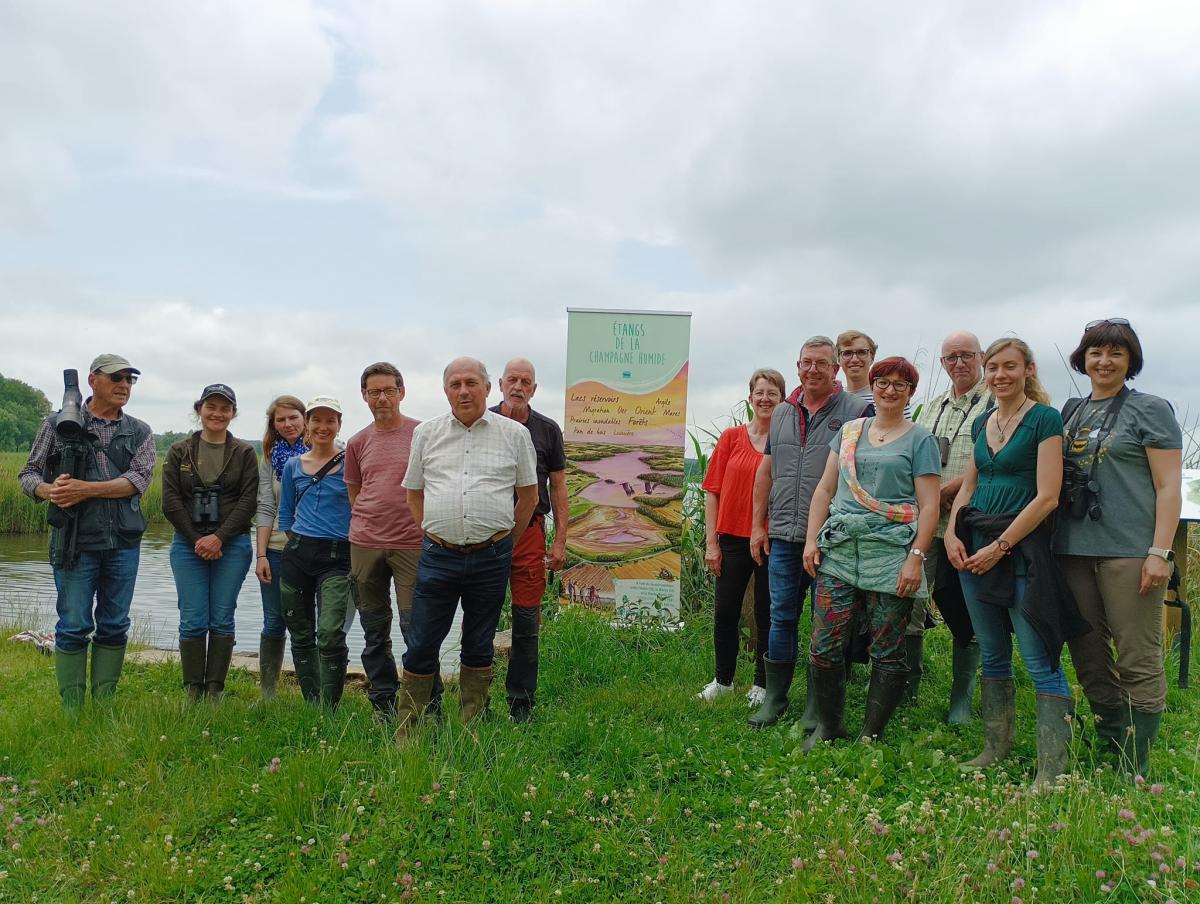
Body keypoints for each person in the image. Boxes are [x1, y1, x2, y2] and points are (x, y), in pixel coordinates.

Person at [946, 337, 1090, 789]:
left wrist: (1002, 547)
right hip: (973, 545)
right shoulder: (983, 422)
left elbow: (1047, 496)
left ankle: (1052, 767)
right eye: (993, 367)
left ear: (1027, 369)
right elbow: (969, 486)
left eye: (1010, 366)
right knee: (992, 650)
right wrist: (952, 532)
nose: (1000, 375)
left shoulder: (1044, 420)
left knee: (1038, 655)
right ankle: (996, 745)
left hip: (1019, 550)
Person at [1055, 319, 1182, 777]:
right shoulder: (1070, 411)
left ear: (1130, 361)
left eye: (1115, 354)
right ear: (1082, 358)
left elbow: (1169, 486)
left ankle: (1136, 760)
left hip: (1130, 550)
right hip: (1072, 550)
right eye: (1095, 353)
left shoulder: (1149, 409)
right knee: (1087, 652)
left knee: (1137, 655)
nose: (1104, 362)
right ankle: (1113, 737)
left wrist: (1160, 552)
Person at [393, 357, 537, 746]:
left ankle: (470, 726)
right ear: (445, 391)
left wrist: (506, 540)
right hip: (438, 556)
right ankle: (409, 729)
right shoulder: (427, 433)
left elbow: (528, 496)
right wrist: (433, 530)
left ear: (488, 388)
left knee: (478, 641)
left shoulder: (514, 435)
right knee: (422, 641)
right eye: (454, 384)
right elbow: (413, 493)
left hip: (491, 558)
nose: (463, 390)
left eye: (471, 382)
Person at [801, 358, 941, 749]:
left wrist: (916, 556)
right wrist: (813, 540)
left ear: (910, 392)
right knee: (824, 644)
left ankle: (871, 734)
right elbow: (825, 491)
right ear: (873, 386)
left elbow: (929, 507)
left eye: (900, 384)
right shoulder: (849, 432)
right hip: (842, 549)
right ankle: (830, 725)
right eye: (883, 382)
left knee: (887, 646)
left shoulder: (920, 440)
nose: (889, 390)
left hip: (891, 553)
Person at [18, 354, 156, 707]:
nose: (124, 385)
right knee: (74, 623)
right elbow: (28, 474)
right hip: (72, 541)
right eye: (117, 378)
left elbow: (137, 481)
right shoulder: (56, 424)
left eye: (129, 380)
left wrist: (85, 489)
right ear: (93, 381)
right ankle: (73, 711)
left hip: (123, 542)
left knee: (114, 623)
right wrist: (48, 490)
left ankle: (104, 705)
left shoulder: (140, 431)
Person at [748, 337, 869, 728]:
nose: (813, 369)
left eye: (822, 363)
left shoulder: (856, 410)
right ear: (797, 367)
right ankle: (776, 697)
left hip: (832, 536)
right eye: (806, 363)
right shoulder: (783, 412)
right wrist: (756, 526)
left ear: (835, 368)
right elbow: (766, 471)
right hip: (783, 532)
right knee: (780, 615)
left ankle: (820, 703)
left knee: (827, 622)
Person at [345, 362, 444, 719]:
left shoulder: (424, 433)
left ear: (402, 391)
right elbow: (355, 491)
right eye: (374, 392)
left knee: (415, 626)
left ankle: (427, 704)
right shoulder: (357, 442)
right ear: (364, 396)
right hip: (365, 543)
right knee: (374, 628)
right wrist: (373, 522)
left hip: (412, 544)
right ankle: (383, 701)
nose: (382, 397)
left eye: (389, 390)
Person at [911, 331, 992, 720]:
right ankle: (906, 685)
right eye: (950, 358)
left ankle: (962, 699)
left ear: (981, 356)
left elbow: (994, 457)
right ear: (942, 364)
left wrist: (949, 491)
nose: (958, 363)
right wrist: (930, 495)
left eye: (966, 355)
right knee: (911, 601)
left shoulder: (996, 400)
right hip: (927, 521)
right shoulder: (931, 407)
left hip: (970, 522)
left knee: (966, 609)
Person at [162, 384, 259, 700]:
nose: (218, 414)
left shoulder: (244, 452)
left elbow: (248, 501)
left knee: (222, 615)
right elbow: (171, 501)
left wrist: (219, 538)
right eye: (211, 407)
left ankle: (214, 690)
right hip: (187, 545)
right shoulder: (179, 451)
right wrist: (198, 540)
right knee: (192, 618)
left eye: (225, 408)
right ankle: (193, 690)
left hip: (232, 544)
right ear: (199, 410)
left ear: (233, 413)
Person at [697, 367, 786, 706]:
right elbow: (712, 491)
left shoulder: (785, 441)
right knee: (725, 612)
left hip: (770, 539)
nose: (765, 399)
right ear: (750, 397)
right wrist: (711, 543)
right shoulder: (731, 438)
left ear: (782, 400)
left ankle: (762, 686)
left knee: (767, 613)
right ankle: (723, 681)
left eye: (772, 393)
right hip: (732, 538)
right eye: (759, 392)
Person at [491, 358, 568, 722]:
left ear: (534, 389)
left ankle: (521, 704)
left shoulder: (548, 430)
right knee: (481, 616)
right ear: (500, 384)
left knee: (525, 618)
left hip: (530, 533)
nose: (518, 386)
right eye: (512, 380)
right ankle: (475, 700)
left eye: (526, 381)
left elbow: (560, 487)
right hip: (485, 532)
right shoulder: (481, 422)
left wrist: (560, 542)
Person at [279, 396, 354, 709]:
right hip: (298, 552)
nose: (323, 427)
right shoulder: (294, 465)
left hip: (338, 556)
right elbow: (285, 514)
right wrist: (299, 540)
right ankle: (312, 703)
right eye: (317, 420)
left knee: (330, 633)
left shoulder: (351, 463)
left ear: (339, 424)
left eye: (330, 421)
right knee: (300, 630)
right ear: (307, 424)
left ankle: (330, 707)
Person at [253, 395, 308, 698]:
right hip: (275, 549)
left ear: (305, 418)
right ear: (273, 424)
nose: (288, 424)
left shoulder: (330, 453)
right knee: (274, 621)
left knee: (308, 621)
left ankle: (312, 692)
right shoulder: (269, 458)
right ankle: (268, 694)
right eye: (280, 420)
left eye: (293, 418)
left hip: (313, 549)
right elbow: (265, 505)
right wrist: (260, 553)